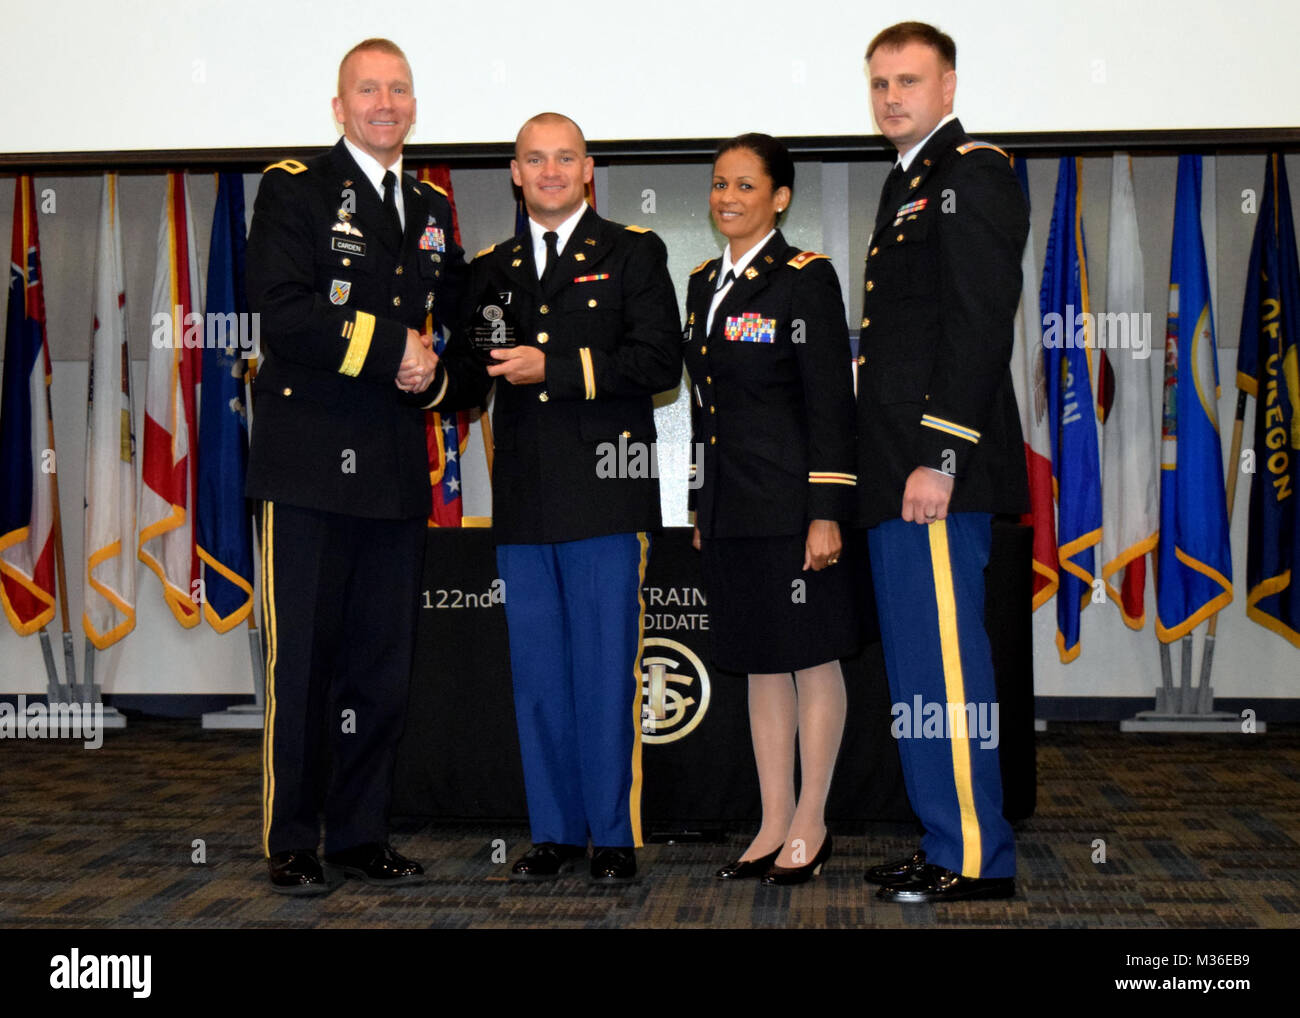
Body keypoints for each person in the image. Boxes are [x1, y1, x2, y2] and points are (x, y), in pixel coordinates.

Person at [244, 38, 468, 894]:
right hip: (306, 470)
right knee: (301, 664)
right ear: (339, 107)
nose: (385, 103)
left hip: (392, 469)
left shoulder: (433, 205)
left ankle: (361, 833)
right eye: (367, 90)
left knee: (381, 668)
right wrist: (393, 354)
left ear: (414, 105)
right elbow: (283, 313)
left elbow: (447, 331)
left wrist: (435, 374)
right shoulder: (295, 188)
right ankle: (294, 839)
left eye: (399, 90)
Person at [439, 113, 681, 883]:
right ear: (515, 172)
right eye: (534, 159)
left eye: (564, 158)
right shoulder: (489, 267)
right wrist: (425, 378)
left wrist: (558, 368)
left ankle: (611, 836)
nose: (549, 171)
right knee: (538, 675)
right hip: (524, 502)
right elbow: (474, 378)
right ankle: (553, 832)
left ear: (587, 168)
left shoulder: (633, 252)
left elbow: (658, 361)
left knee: (606, 673)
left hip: (606, 496)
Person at [855, 22, 1029, 903]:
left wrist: (941, 458)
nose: (893, 97)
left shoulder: (973, 175)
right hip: (894, 474)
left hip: (933, 477)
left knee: (949, 671)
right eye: (880, 82)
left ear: (949, 85)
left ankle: (974, 854)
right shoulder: (908, 183)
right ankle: (943, 837)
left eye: (910, 81)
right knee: (920, 670)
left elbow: (976, 325)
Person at [683, 134, 858, 885]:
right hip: (731, 507)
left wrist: (827, 509)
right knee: (758, 663)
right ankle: (772, 819)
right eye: (721, 183)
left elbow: (830, 402)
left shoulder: (804, 279)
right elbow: (702, 410)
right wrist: (699, 499)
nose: (728, 197)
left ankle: (813, 822)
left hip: (793, 508)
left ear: (780, 198)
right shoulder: (699, 282)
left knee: (811, 658)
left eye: (746, 186)